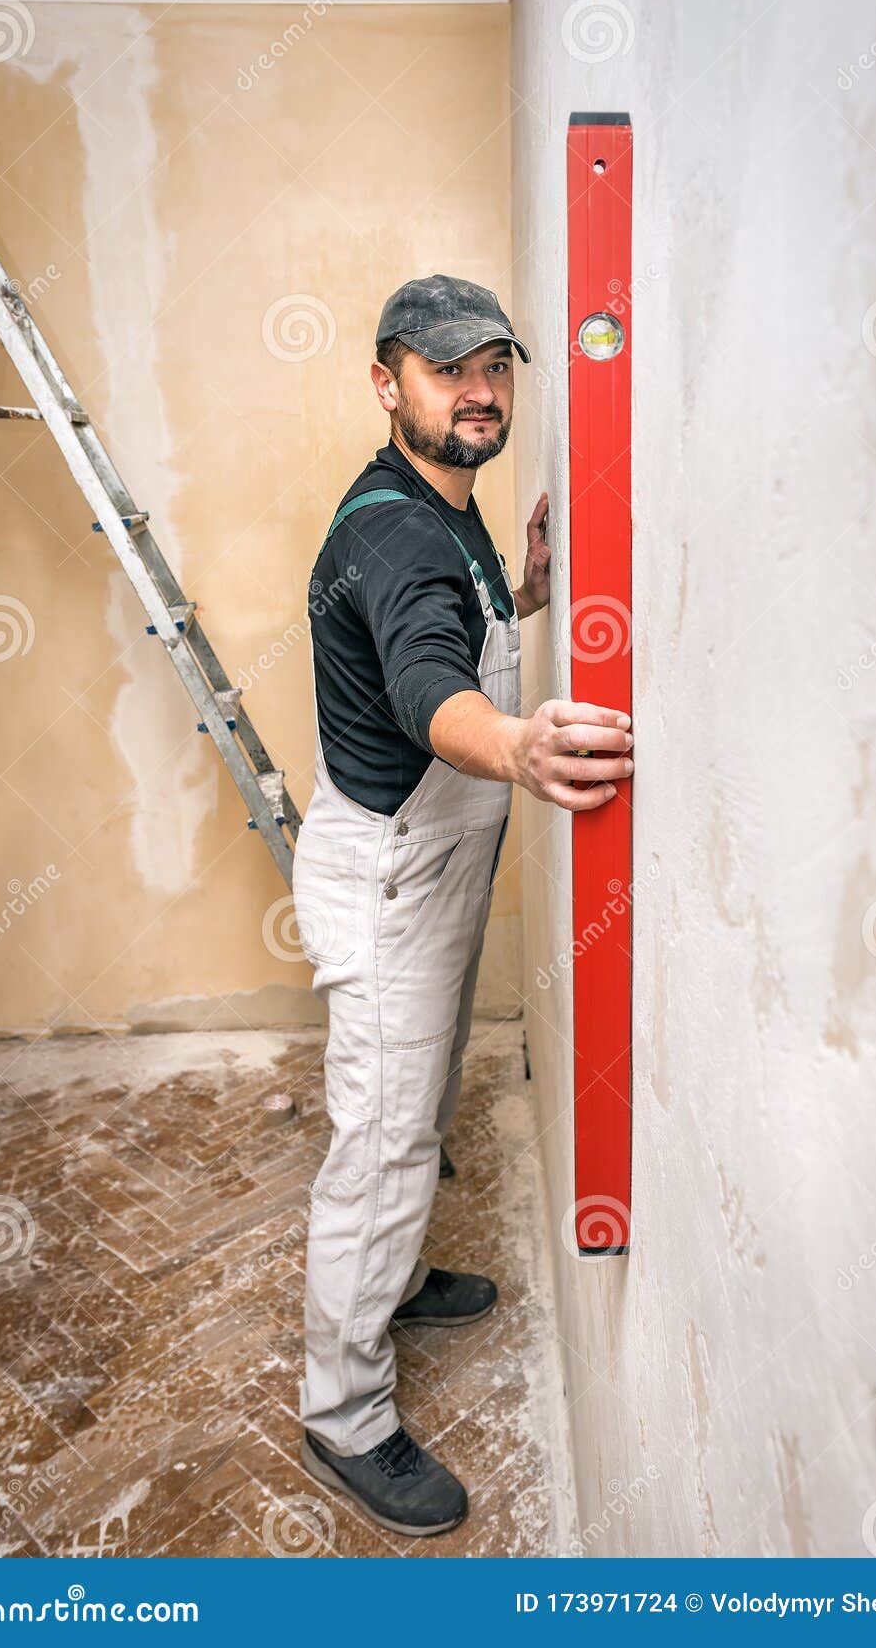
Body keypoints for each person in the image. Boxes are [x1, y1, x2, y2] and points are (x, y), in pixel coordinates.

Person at [293, 273, 633, 1537]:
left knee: (417, 1100)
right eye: (449, 369)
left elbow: (453, 621)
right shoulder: (395, 532)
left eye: (495, 365)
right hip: (392, 874)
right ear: (389, 387)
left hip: (426, 862)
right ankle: (345, 1410)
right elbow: (430, 679)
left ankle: (395, 1275)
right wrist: (523, 749)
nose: (481, 390)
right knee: (380, 1138)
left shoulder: (446, 509)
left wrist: (526, 592)